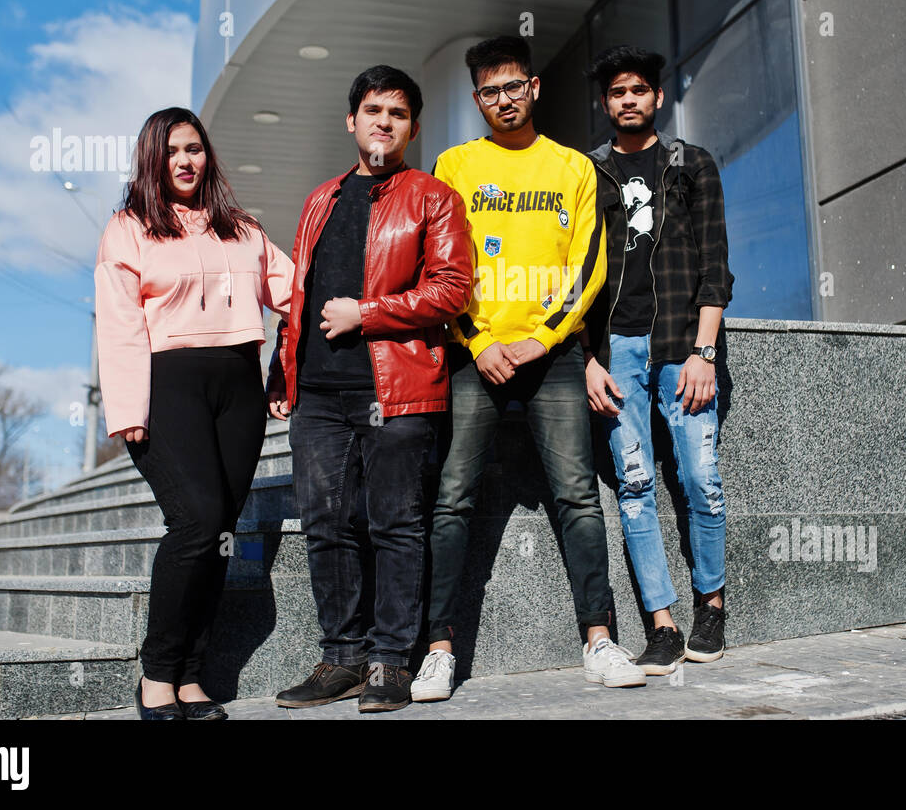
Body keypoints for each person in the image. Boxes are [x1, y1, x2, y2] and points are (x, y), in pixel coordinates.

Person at [410, 35, 646, 703]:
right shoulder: (454, 166)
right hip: (471, 356)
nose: (504, 99)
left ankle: (599, 640)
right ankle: (438, 651)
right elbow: (440, 266)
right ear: (477, 98)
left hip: (556, 359)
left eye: (514, 86)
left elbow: (590, 263)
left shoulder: (573, 167)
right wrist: (477, 339)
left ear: (534, 88)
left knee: (576, 495)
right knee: (451, 497)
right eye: (490, 91)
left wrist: (543, 339)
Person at [266, 66, 474, 713]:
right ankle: (341, 657)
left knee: (394, 524)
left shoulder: (432, 196)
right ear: (351, 120)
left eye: (398, 113)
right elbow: (299, 292)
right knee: (327, 524)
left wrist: (367, 312)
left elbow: (452, 289)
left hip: (399, 387)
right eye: (373, 109)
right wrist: (283, 368)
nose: (384, 121)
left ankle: (389, 660)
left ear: (412, 127)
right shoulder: (319, 199)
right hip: (319, 396)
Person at [96, 106, 295, 719]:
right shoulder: (128, 229)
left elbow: (297, 293)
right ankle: (156, 674)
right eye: (172, 151)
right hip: (168, 387)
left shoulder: (243, 228)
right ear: (153, 159)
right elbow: (121, 324)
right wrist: (130, 407)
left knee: (221, 533)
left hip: (237, 386)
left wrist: (283, 368)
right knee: (197, 522)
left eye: (195, 149)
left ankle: (189, 675)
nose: (185, 161)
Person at [580, 44, 734, 674]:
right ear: (605, 102)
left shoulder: (691, 164)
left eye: (639, 89)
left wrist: (704, 351)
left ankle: (713, 607)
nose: (628, 100)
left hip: (681, 346)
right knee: (636, 486)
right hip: (617, 348)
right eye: (617, 92)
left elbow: (715, 266)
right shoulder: (587, 174)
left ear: (658, 97)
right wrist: (588, 358)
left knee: (700, 478)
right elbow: (578, 273)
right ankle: (662, 623)